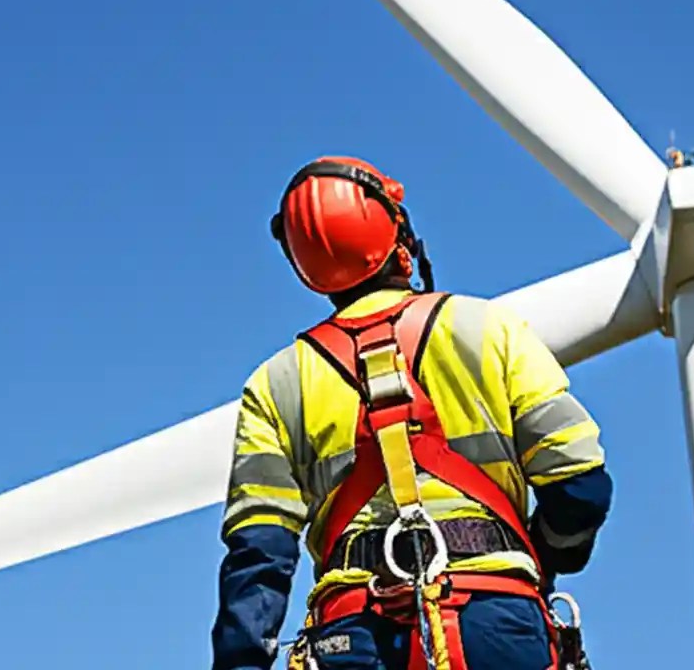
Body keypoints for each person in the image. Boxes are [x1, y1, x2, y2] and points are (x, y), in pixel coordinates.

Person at [210, 156, 613, 670]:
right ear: (395, 231)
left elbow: (258, 553)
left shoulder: (276, 384)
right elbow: (580, 483)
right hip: (493, 620)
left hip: (352, 636)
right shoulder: (488, 329)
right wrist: (548, 558)